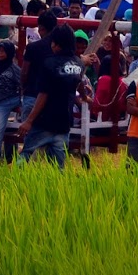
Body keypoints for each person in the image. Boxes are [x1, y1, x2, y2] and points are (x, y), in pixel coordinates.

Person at [17, 24, 90, 168]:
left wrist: (29, 121)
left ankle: (12, 182)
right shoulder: (79, 63)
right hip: (64, 122)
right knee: (58, 166)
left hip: (44, 121)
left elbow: (44, 94)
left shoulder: (49, 63)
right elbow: (79, 82)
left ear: (56, 44)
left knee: (26, 154)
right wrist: (84, 96)